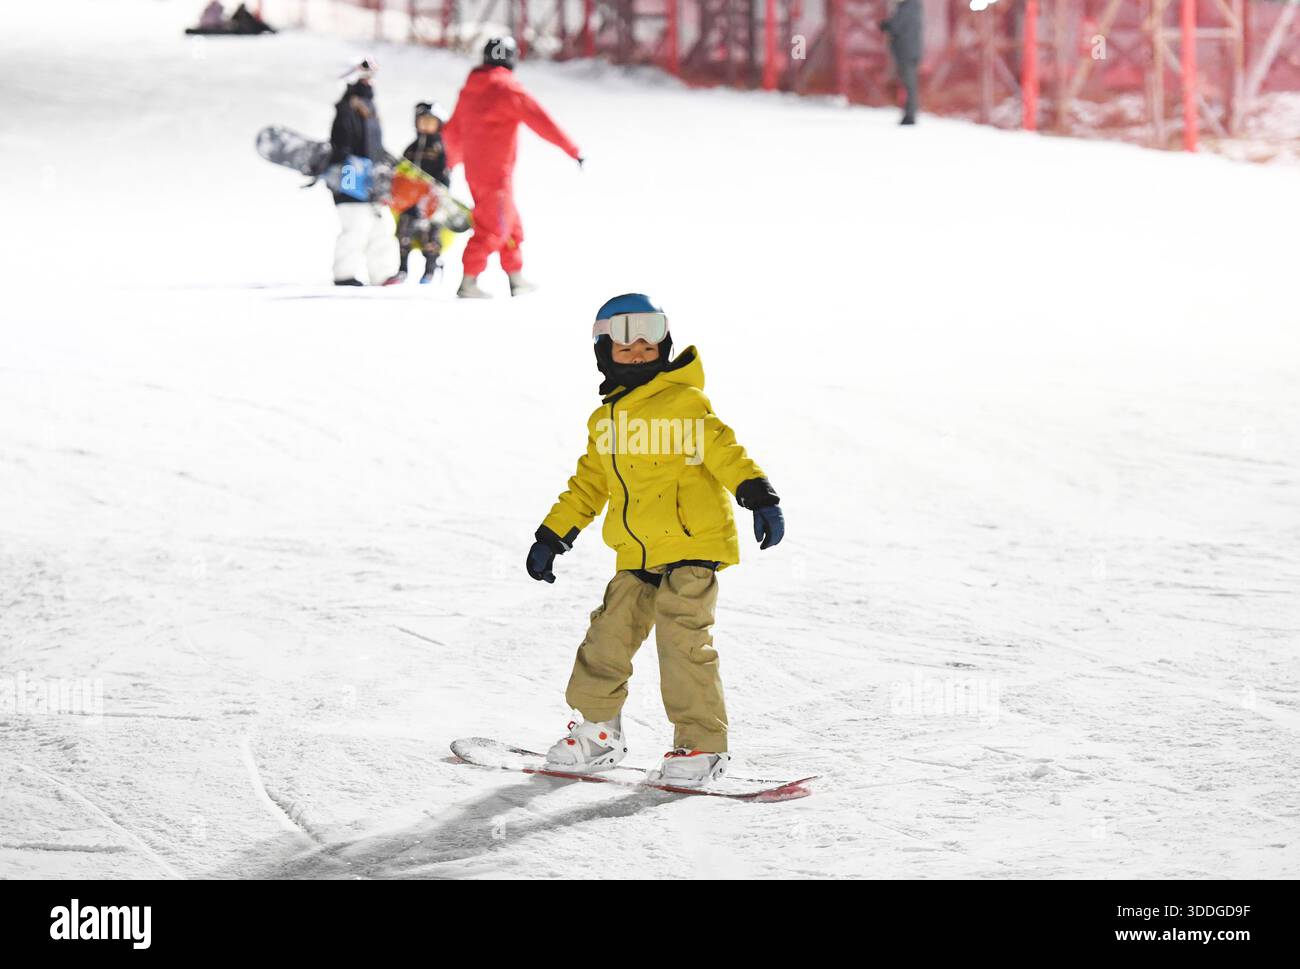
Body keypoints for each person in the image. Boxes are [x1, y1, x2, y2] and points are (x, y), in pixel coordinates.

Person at [524, 294, 785, 789]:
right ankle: (600, 733)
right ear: (605, 353)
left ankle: (702, 745)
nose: (639, 351)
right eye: (626, 346)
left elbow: (723, 449)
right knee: (606, 639)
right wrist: (552, 535)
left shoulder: (684, 403)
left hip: (691, 549)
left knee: (682, 642)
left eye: (649, 340)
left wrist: (758, 495)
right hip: (636, 553)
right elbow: (588, 486)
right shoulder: (605, 423)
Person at [441, 36, 583, 299]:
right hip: (497, 175)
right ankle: (468, 282)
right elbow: (542, 121)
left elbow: (453, 133)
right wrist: (572, 149)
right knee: (494, 227)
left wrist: (448, 164)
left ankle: (515, 278)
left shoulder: (470, 90)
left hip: (476, 173)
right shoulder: (508, 89)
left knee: (511, 224)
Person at [328, 57, 399, 286]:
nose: (370, 81)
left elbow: (374, 146)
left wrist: (387, 162)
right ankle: (344, 274)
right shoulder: (347, 108)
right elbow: (342, 145)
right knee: (355, 224)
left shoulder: (370, 109)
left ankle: (382, 274)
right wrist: (344, 168)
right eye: (365, 76)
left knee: (381, 226)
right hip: (350, 178)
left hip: (371, 179)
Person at [388, 101, 451, 285]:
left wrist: (440, 190)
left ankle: (431, 269)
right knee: (403, 232)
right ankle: (402, 269)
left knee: (429, 236)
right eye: (422, 121)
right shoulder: (411, 148)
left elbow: (445, 175)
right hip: (410, 201)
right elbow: (401, 172)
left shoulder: (440, 149)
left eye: (430, 121)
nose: (425, 124)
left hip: (431, 201)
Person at [880, 0, 923, 125]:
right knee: (909, 85)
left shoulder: (908, 7)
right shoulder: (913, 7)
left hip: (906, 52)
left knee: (909, 85)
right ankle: (909, 113)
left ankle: (910, 115)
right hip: (909, 51)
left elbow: (897, 26)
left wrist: (887, 25)